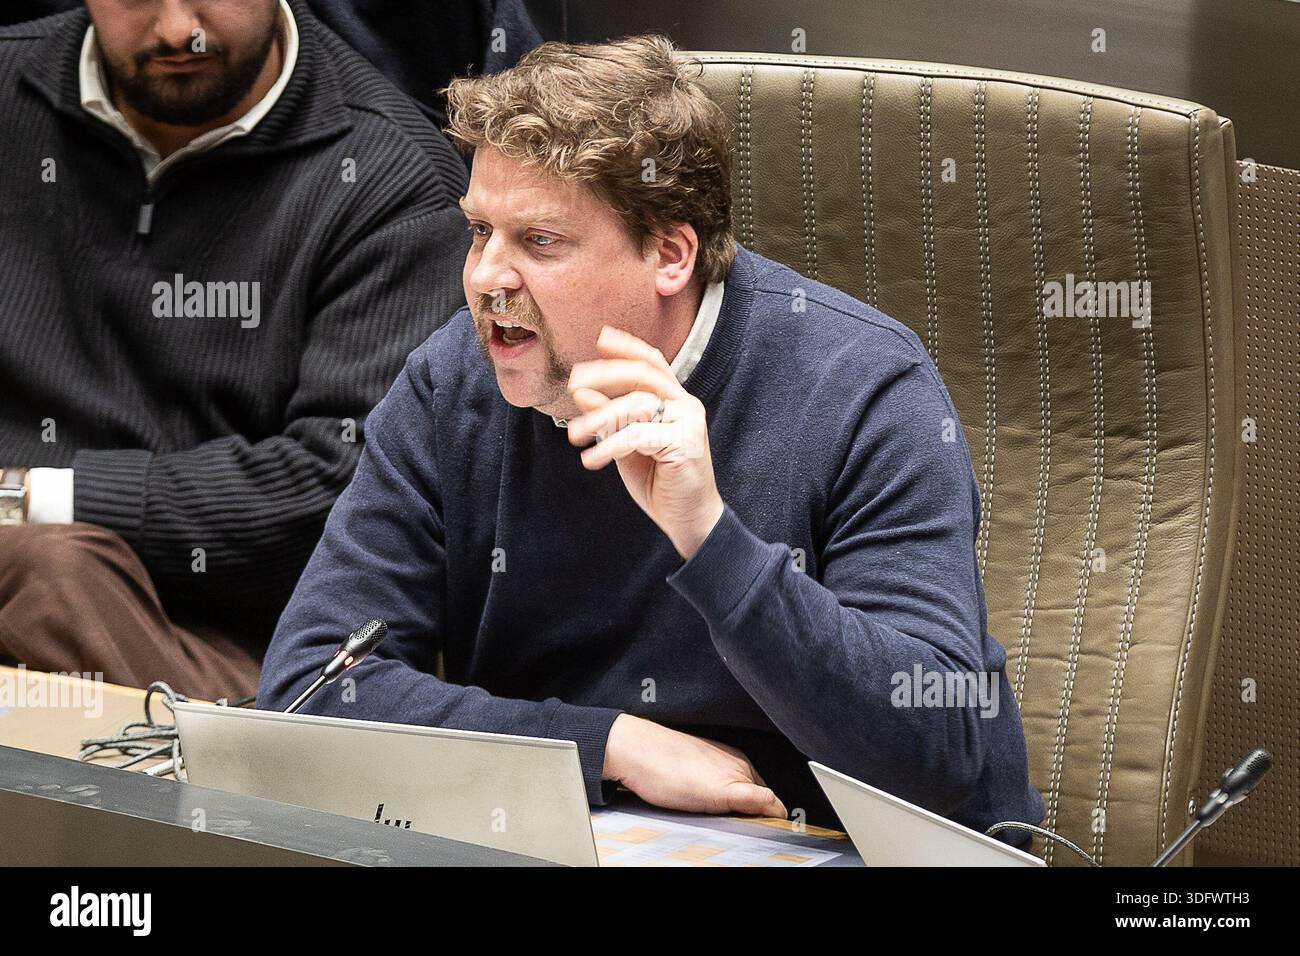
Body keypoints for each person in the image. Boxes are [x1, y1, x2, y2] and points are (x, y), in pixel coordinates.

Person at [257, 35, 1045, 837]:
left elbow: (942, 758)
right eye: (478, 231)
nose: (487, 277)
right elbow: (310, 686)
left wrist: (709, 540)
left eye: (539, 241)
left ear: (670, 255)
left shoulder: (865, 388)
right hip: (590, 833)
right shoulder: (452, 383)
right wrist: (608, 744)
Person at [0, 0, 471, 699]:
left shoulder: (393, 179)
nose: (175, 30)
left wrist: (30, 496)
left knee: (47, 571)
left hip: (254, 643)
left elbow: (340, 485)